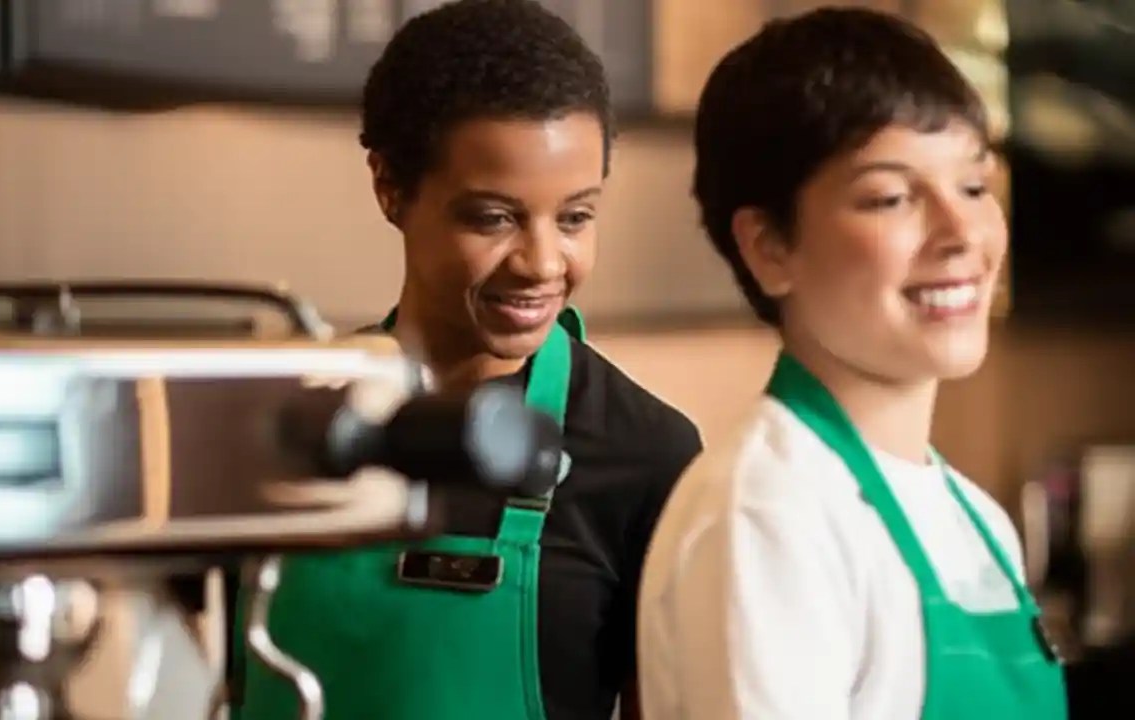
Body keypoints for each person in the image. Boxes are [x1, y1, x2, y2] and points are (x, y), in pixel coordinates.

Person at [233, 2, 702, 719]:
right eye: (494, 217)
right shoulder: (278, 418)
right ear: (390, 186)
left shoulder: (647, 454)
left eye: (576, 217)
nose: (543, 263)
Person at [638, 7, 1067, 719]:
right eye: (891, 197)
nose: (962, 232)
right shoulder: (770, 512)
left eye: (973, 186)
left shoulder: (980, 520)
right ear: (770, 247)